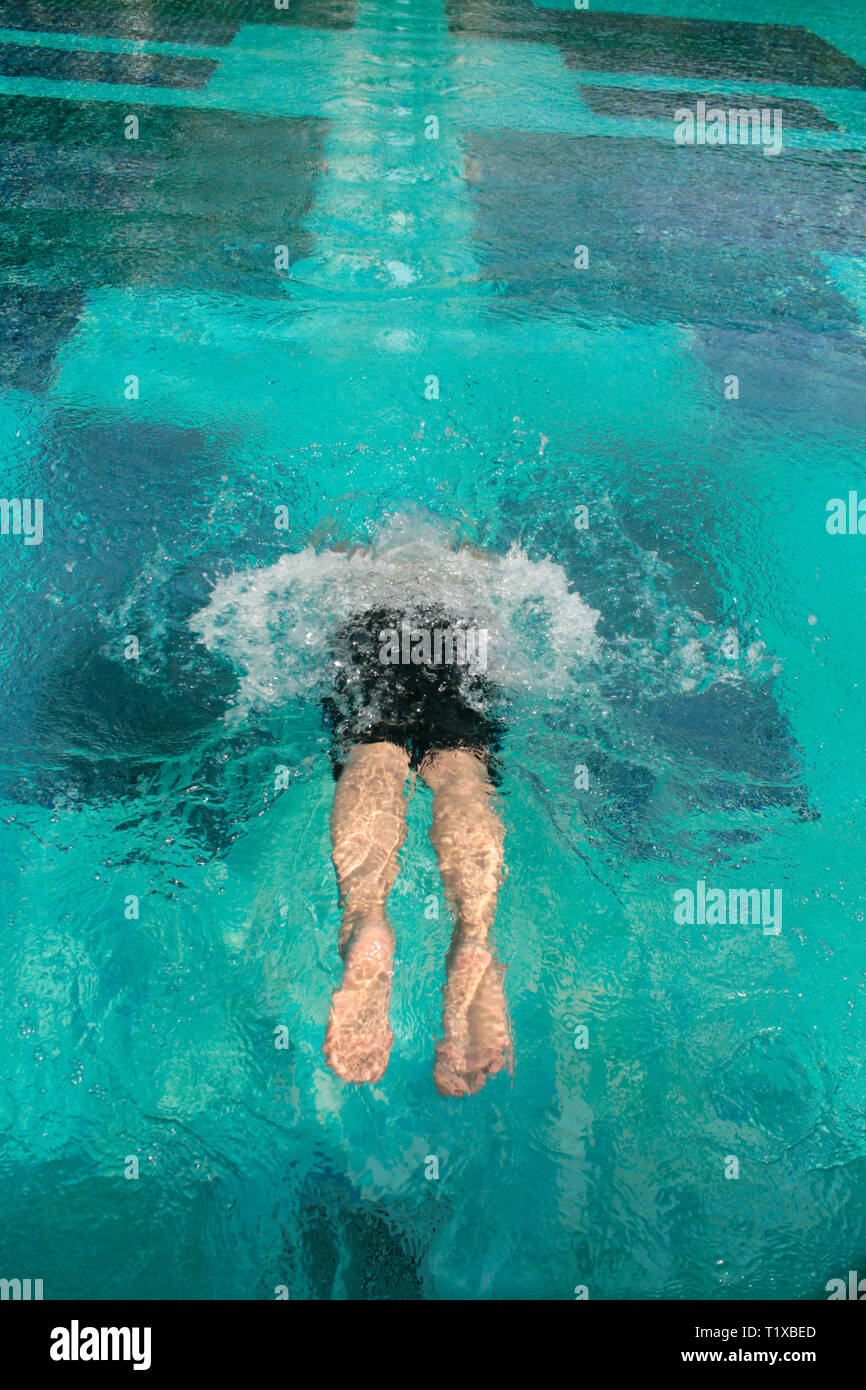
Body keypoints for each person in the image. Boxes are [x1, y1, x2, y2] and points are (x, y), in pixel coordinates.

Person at [321, 606, 512, 1096]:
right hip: (455, 630)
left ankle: (365, 917)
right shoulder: (471, 559)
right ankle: (474, 934)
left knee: (375, 749)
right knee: (460, 766)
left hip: (373, 623)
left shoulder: (359, 554)